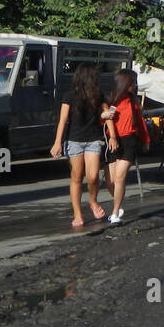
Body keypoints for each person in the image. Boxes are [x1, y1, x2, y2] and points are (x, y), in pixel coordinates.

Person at [51, 63, 110, 228]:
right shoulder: (69, 96)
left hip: (93, 139)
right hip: (74, 140)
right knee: (76, 177)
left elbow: (108, 113)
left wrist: (108, 118)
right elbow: (62, 121)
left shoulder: (98, 96)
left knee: (92, 176)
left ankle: (93, 201)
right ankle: (77, 213)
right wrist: (57, 143)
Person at [101, 69, 150, 225]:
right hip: (113, 141)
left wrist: (146, 140)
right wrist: (104, 117)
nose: (134, 85)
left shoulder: (133, 102)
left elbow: (141, 124)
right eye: (132, 82)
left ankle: (115, 212)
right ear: (124, 83)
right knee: (110, 180)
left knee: (120, 177)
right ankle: (118, 203)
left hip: (129, 141)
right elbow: (106, 121)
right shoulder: (113, 102)